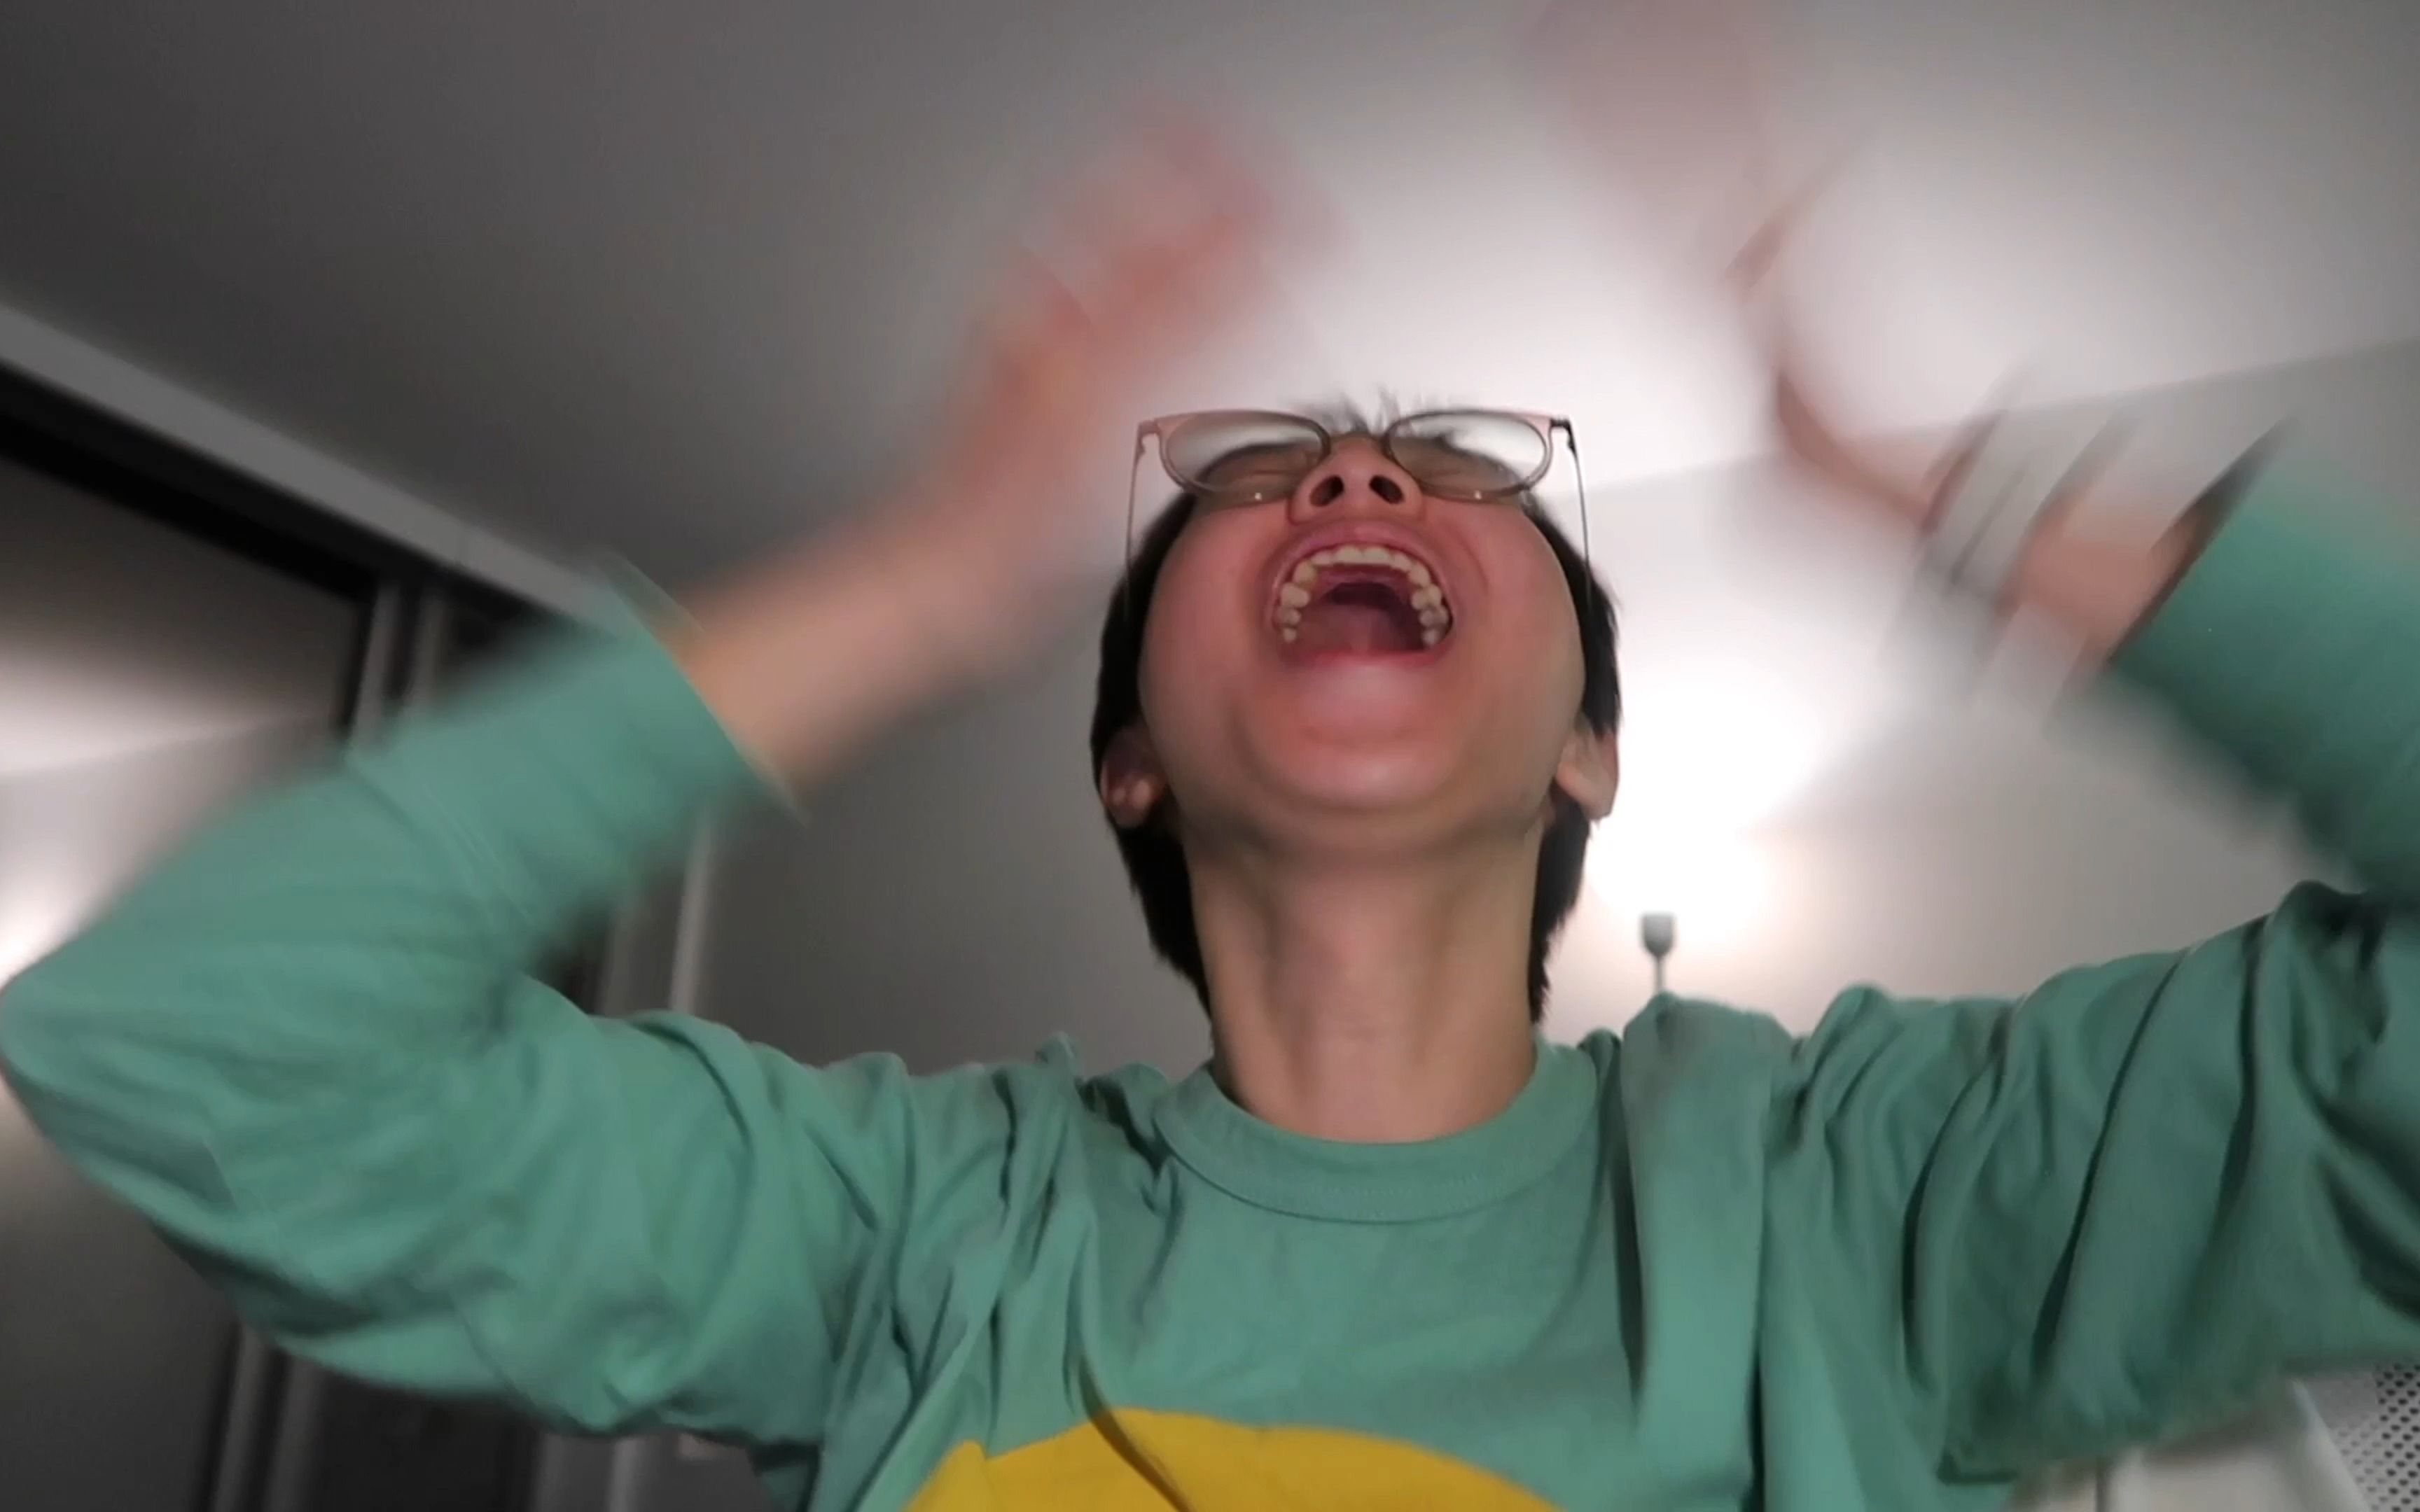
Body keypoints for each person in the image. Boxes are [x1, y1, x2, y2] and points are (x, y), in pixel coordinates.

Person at [4, 130, 2417, 1512]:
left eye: (1448, 474)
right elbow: (180, 1039)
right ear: (1128, 760)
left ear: (1588, 750)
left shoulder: (1878, 1200)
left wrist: (1939, 492)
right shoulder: (907, 1231)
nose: (1352, 478)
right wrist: (929, 570)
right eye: (1257, 482)